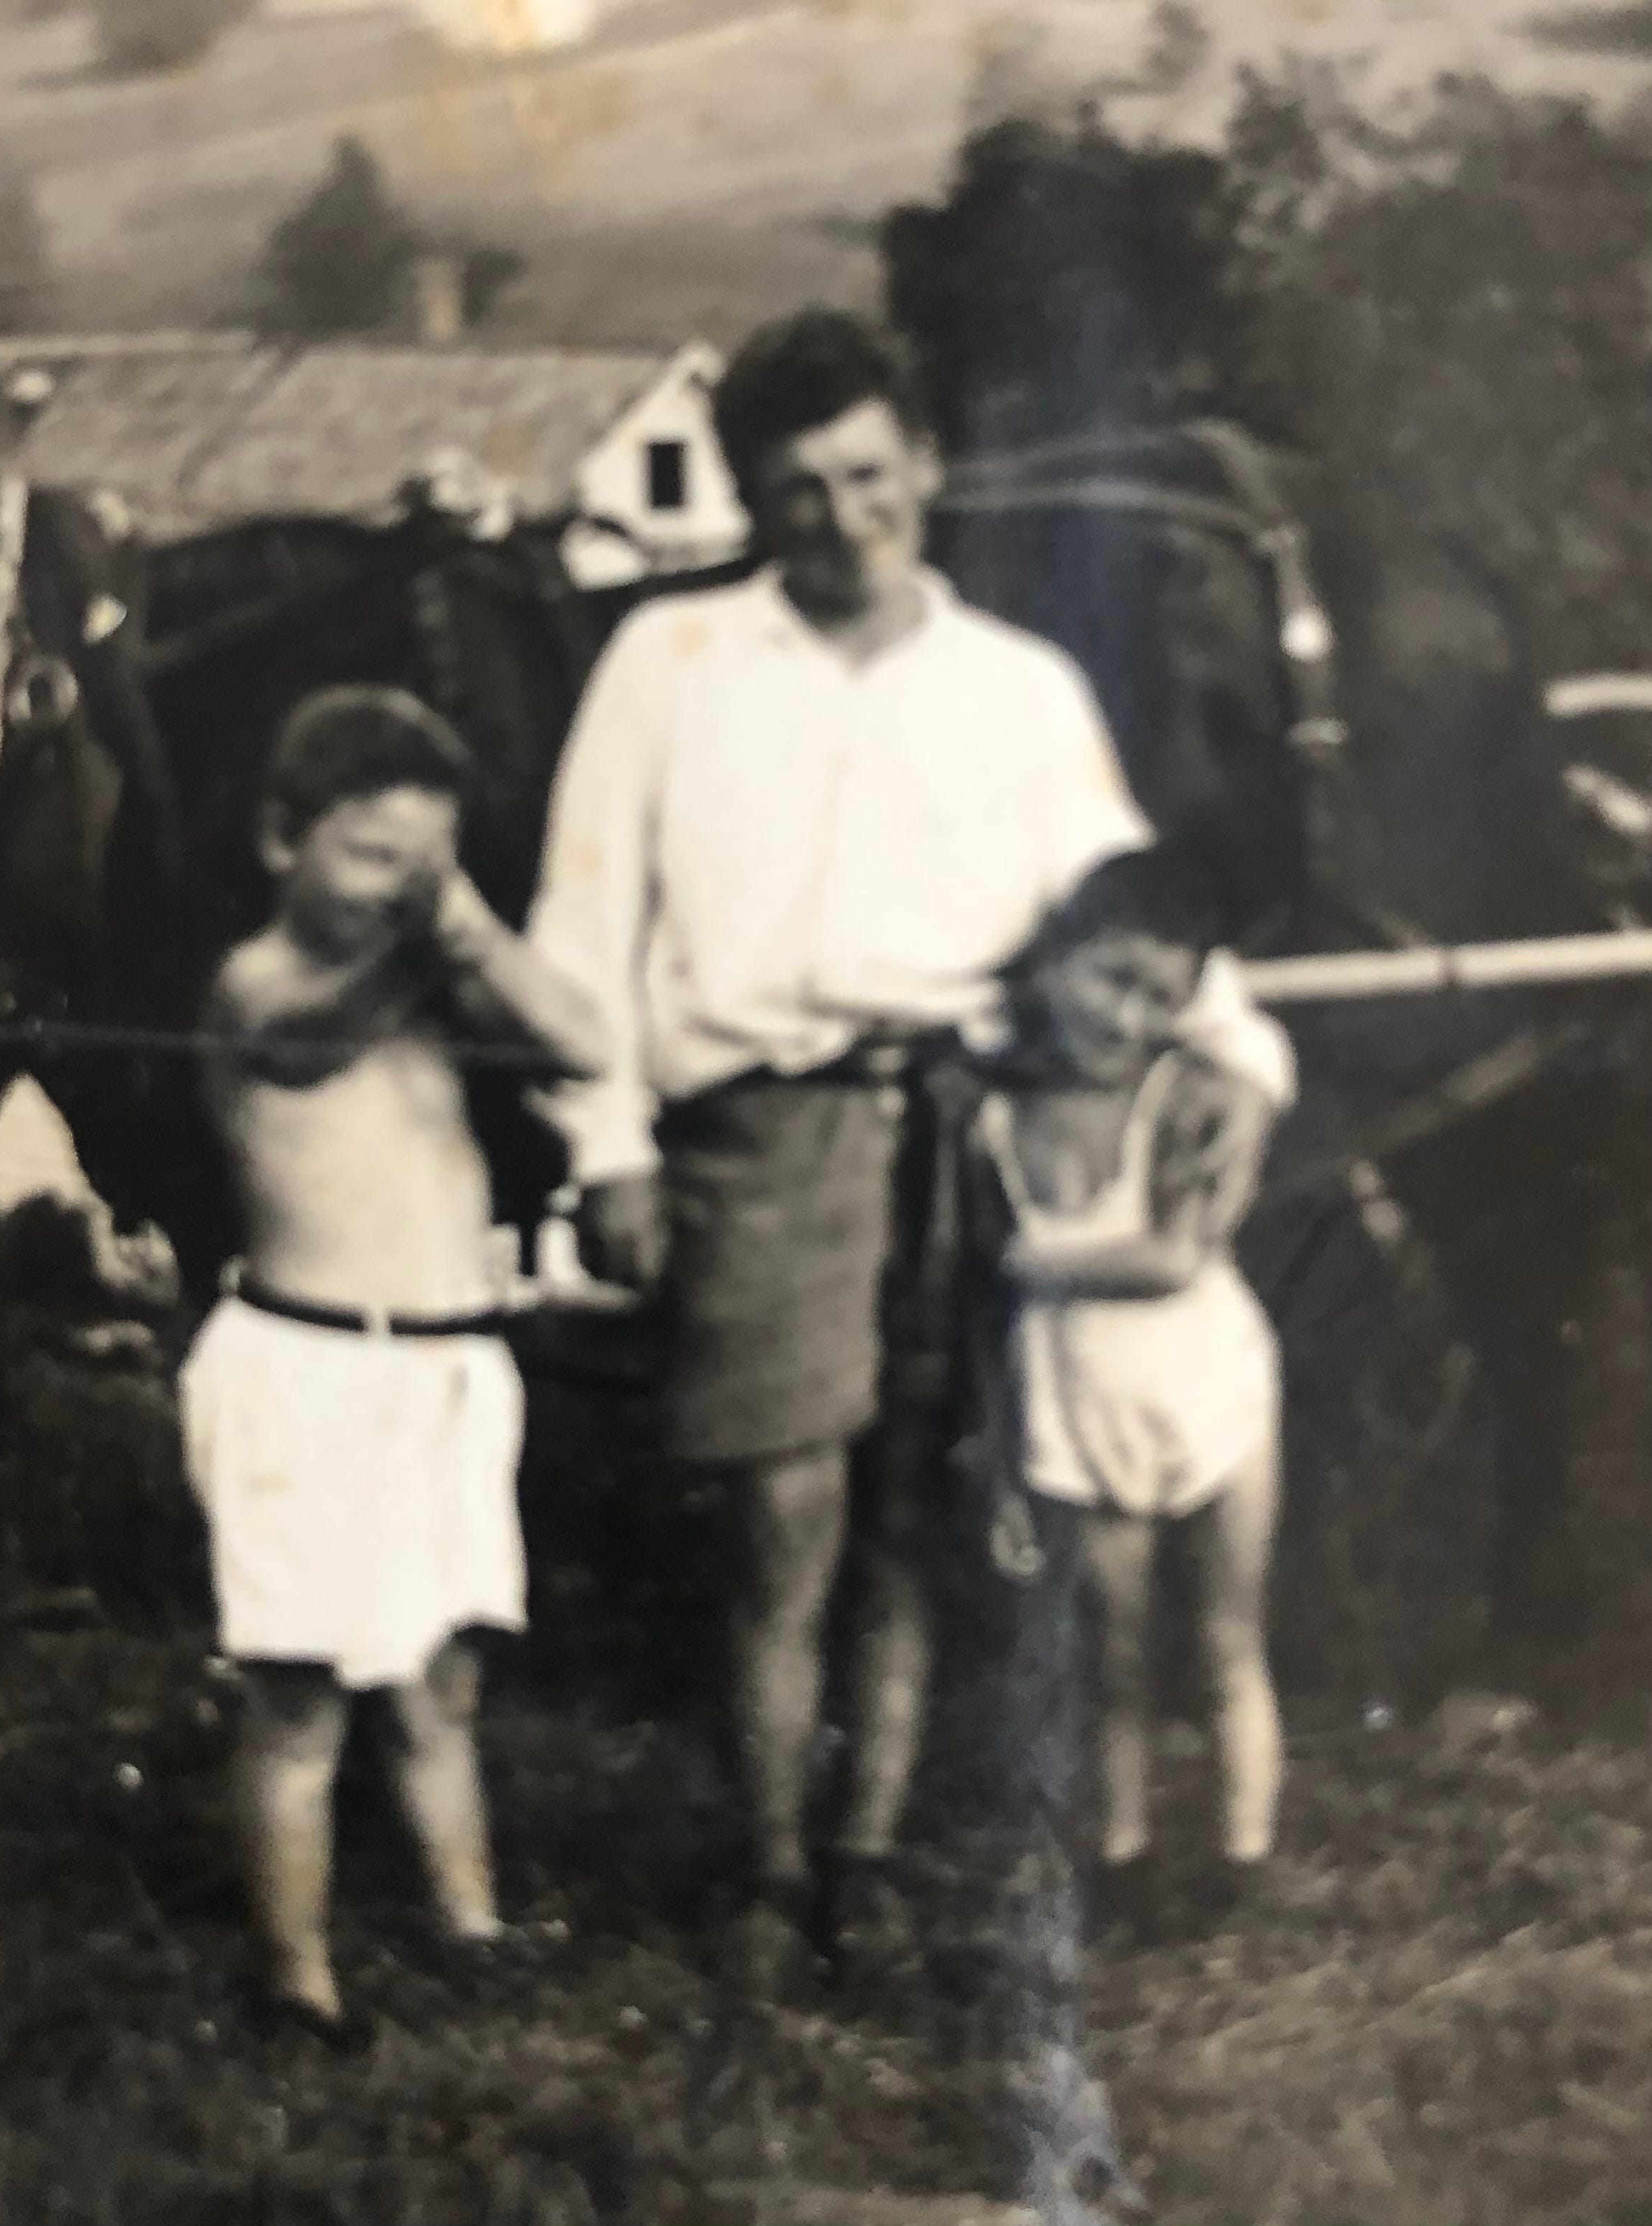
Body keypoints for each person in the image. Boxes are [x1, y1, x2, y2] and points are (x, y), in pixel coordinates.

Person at [525, 309, 1294, 1966]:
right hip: (758, 1132)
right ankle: (767, 1864)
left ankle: (863, 1855)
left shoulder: (1016, 690)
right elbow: (579, 921)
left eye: (868, 475)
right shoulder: (666, 667)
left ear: (925, 469)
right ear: (747, 500)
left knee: (900, 1517)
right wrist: (608, 1144)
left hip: (957, 1129)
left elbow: (1126, 908)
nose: (839, 516)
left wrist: (1238, 1050)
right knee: (775, 1516)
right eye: (793, 488)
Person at [180, 684, 606, 2044]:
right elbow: (311, 1044)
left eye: (424, 864)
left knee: (440, 1679)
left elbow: (583, 1044)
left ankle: (467, 1924)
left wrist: (472, 927)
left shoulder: (432, 968)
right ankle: (294, 1971)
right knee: (298, 1694)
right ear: (276, 841)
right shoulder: (262, 983)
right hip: (305, 1373)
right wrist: (433, 947)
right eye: (370, 858)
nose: (399, 893)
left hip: (442, 1373)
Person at [970, 843, 1283, 1942]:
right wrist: (1008, 1458)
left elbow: (1172, 1261)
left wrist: (1019, 1265)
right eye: (1110, 980)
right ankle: (1125, 1856)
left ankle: (1243, 1857)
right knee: (1115, 1645)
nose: (1127, 1017)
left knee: (1225, 1631)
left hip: (1203, 1381)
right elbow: (992, 1339)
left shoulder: (1188, 1095)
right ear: (1053, 961)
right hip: (1080, 1396)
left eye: (1161, 996)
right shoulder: (996, 1118)